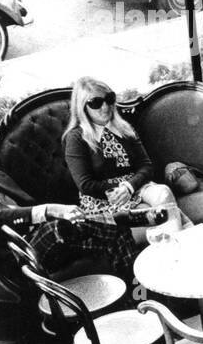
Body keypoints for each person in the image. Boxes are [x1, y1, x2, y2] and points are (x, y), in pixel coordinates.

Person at [0, 122, 140, 288]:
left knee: (116, 232)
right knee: (58, 227)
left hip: (43, 236)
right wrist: (50, 210)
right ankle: (129, 218)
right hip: (19, 254)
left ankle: (136, 297)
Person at [62, 77, 183, 242]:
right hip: (104, 199)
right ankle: (180, 243)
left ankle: (177, 246)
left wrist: (128, 187)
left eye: (109, 99)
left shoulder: (124, 128)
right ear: (83, 108)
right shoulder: (76, 137)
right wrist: (118, 190)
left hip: (134, 186)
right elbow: (85, 185)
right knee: (154, 215)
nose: (105, 107)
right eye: (96, 103)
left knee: (163, 193)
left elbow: (146, 166)